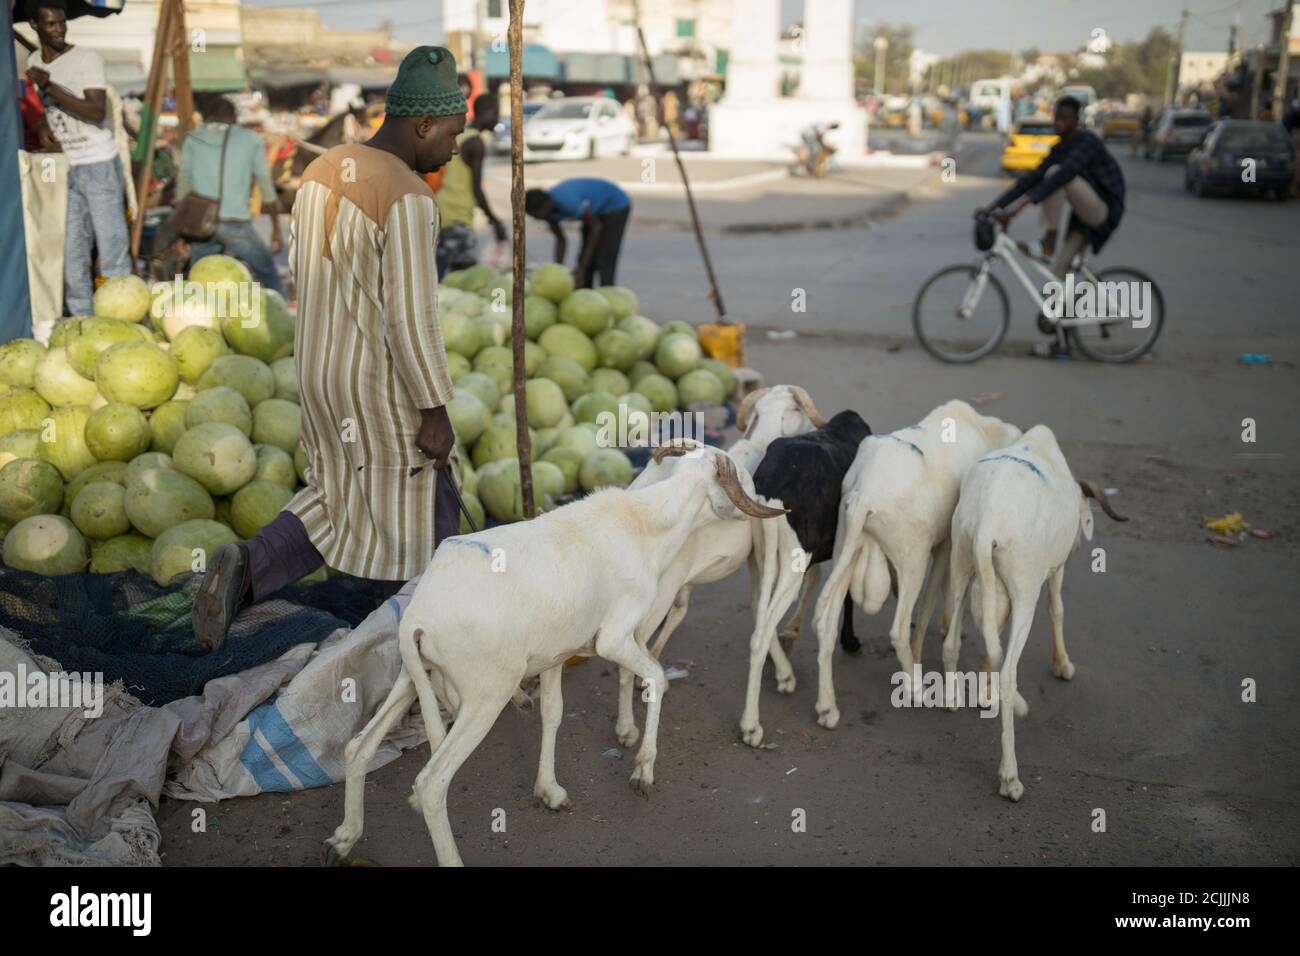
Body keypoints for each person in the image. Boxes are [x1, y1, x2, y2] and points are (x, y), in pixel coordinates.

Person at [192, 46, 468, 649]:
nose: (454, 148)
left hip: (317, 374)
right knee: (429, 508)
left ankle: (245, 568)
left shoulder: (323, 171)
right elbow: (410, 316)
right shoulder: (409, 197)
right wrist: (435, 409)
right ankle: (423, 649)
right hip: (376, 382)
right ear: (424, 124)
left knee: (336, 497)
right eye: (452, 133)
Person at [977, 95, 1126, 356]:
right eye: (1056, 117)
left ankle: (1048, 240)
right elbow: (1030, 179)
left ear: (1076, 121)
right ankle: (1062, 343)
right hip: (1082, 219)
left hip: (1103, 211)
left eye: (1064, 118)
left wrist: (1015, 212)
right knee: (1058, 277)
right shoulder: (1060, 146)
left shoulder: (1086, 142)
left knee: (1057, 177)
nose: (1058, 123)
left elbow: (1063, 176)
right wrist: (994, 207)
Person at [25, 0, 131, 316]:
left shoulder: (87, 59)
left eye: (62, 23)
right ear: (34, 25)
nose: (59, 30)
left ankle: (120, 321)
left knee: (112, 253)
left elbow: (96, 110)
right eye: (51, 25)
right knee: (72, 257)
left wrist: (50, 86)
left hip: (98, 164)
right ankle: (82, 325)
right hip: (65, 169)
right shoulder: (33, 60)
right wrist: (44, 126)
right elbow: (43, 111)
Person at [177, 95, 285, 295]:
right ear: (234, 117)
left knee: (199, 282)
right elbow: (265, 184)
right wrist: (276, 227)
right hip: (235, 223)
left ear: (208, 117)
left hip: (202, 225)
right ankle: (287, 314)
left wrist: (183, 231)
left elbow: (183, 185)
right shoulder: (251, 140)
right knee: (267, 273)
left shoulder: (193, 138)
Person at [435, 92, 506, 277]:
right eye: (496, 113)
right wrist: (494, 220)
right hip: (458, 215)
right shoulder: (476, 143)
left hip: (443, 209)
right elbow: (477, 188)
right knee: (466, 277)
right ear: (487, 112)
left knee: (442, 273)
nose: (498, 119)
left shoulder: (460, 135)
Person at [524, 178, 631, 288]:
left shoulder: (567, 202)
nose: (535, 218)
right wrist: (556, 271)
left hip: (615, 205)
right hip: (593, 212)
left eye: (535, 215)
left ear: (545, 205)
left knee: (604, 256)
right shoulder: (548, 214)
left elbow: (596, 227)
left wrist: (581, 268)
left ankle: (608, 291)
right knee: (585, 258)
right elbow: (561, 240)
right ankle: (586, 290)